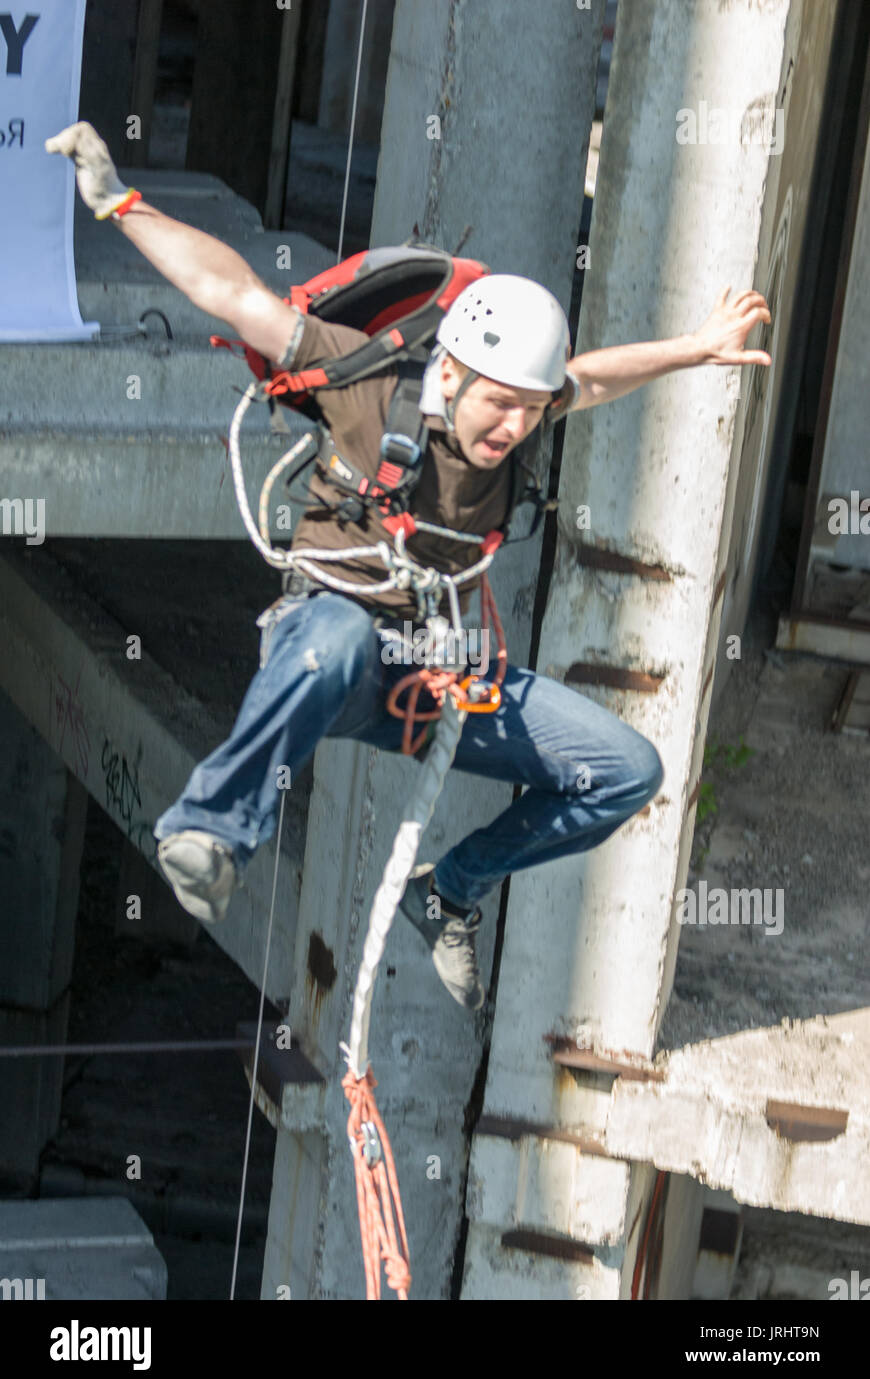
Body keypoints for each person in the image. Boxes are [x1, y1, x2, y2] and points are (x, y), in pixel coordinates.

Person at [47, 122, 772, 1011]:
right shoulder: (363, 384)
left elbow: (596, 377)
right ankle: (210, 828)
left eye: (532, 411)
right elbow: (229, 291)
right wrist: (121, 204)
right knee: (334, 643)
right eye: (501, 404)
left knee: (626, 770)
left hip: (438, 680)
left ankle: (450, 892)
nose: (513, 428)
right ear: (456, 376)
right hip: (335, 652)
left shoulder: (530, 415)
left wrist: (696, 350)